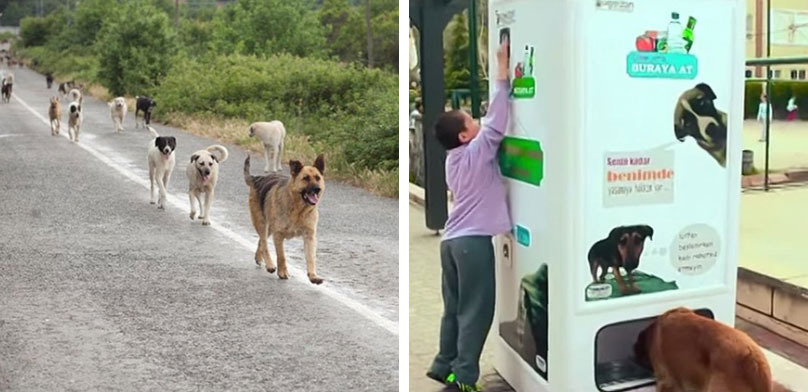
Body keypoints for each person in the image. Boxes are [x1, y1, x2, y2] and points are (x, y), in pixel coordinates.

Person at [426, 39, 512, 392]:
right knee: (476, 312)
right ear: (464, 135)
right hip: (472, 245)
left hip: (450, 243)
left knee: (454, 309)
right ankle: (463, 379)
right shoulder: (476, 151)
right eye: (470, 122)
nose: (477, 124)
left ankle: (443, 365)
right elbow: (496, 121)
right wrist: (502, 74)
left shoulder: (454, 160)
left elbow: (487, 125)